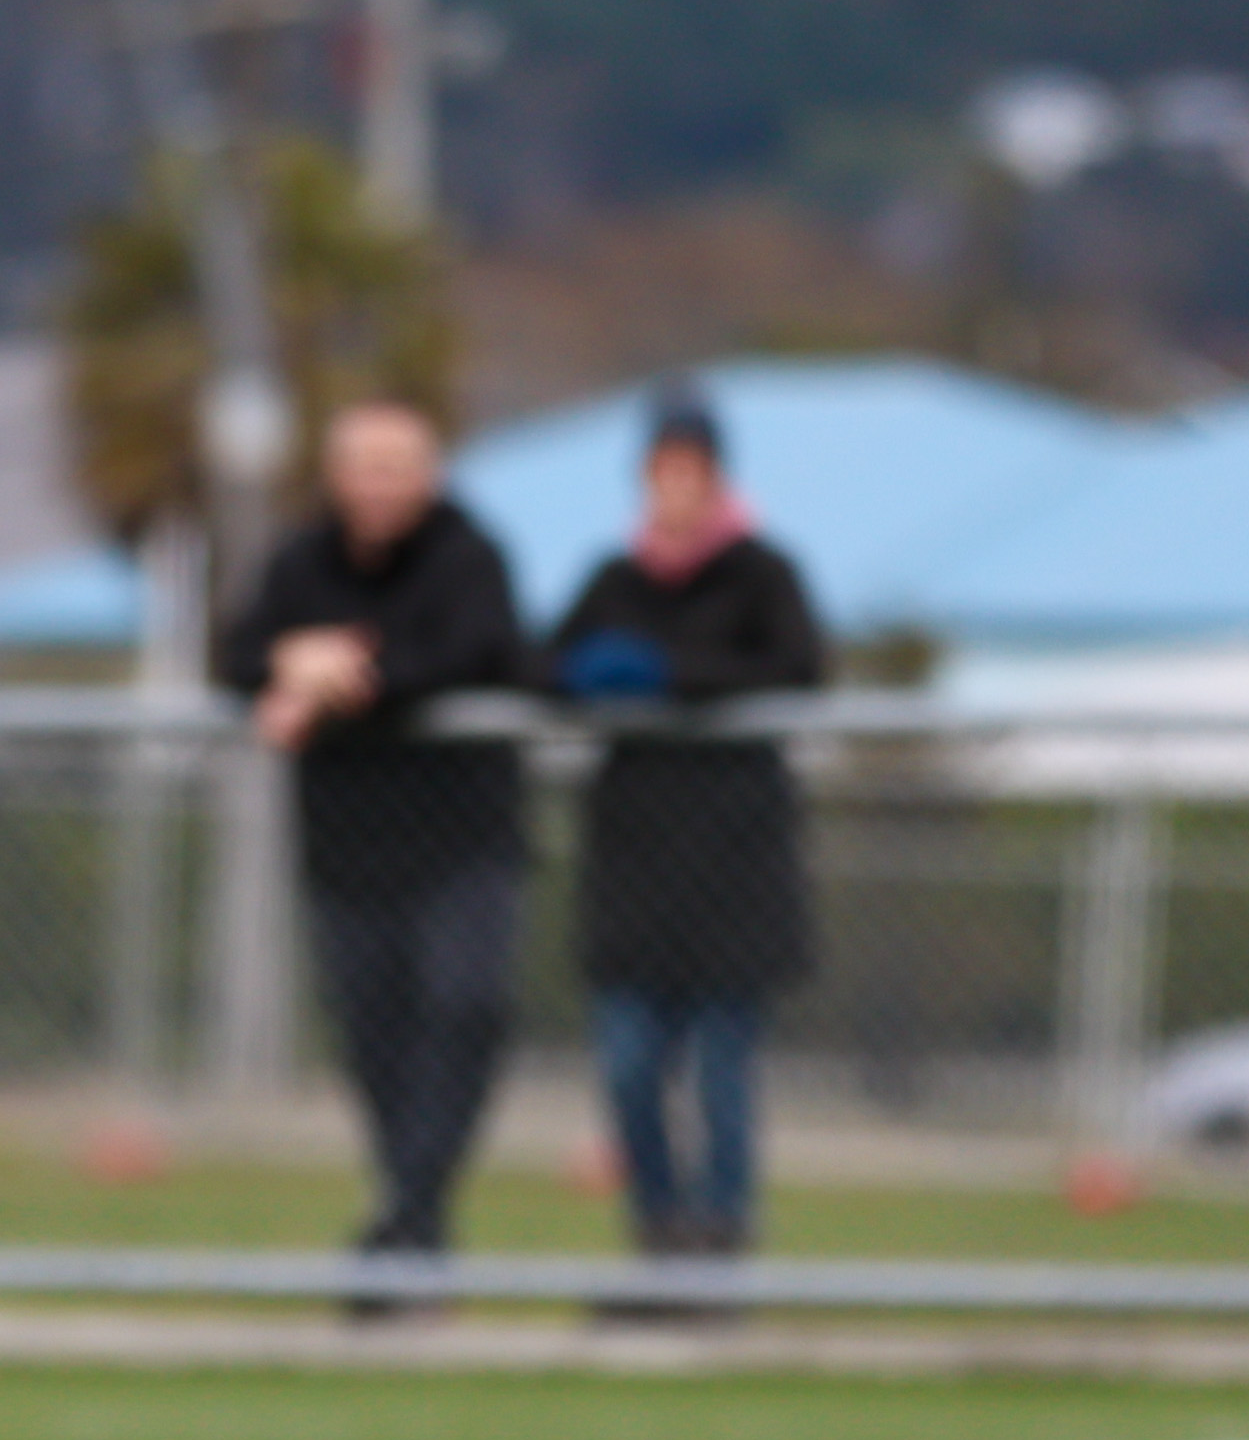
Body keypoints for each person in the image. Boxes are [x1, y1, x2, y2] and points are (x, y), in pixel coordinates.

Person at [216, 398, 529, 1280]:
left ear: (429, 475)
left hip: (463, 845)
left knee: (465, 1008)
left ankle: (408, 1220)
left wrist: (345, 674)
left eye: (399, 464)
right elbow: (238, 653)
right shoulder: (302, 561)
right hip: (346, 854)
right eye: (365, 463)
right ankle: (409, 1224)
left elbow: (480, 651)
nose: (381, 483)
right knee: (372, 1038)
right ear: (335, 473)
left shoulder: (469, 555)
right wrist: (289, 664)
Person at [546, 383, 826, 1260]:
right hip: (635, 867)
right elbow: (547, 663)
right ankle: (658, 1229)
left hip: (734, 864)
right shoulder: (613, 577)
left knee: (720, 1074)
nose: (674, 484)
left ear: (714, 475)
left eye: (689, 468)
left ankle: (721, 1232)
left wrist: (667, 676)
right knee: (629, 1069)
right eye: (660, 468)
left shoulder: (760, 571)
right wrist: (592, 677)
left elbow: (796, 667)